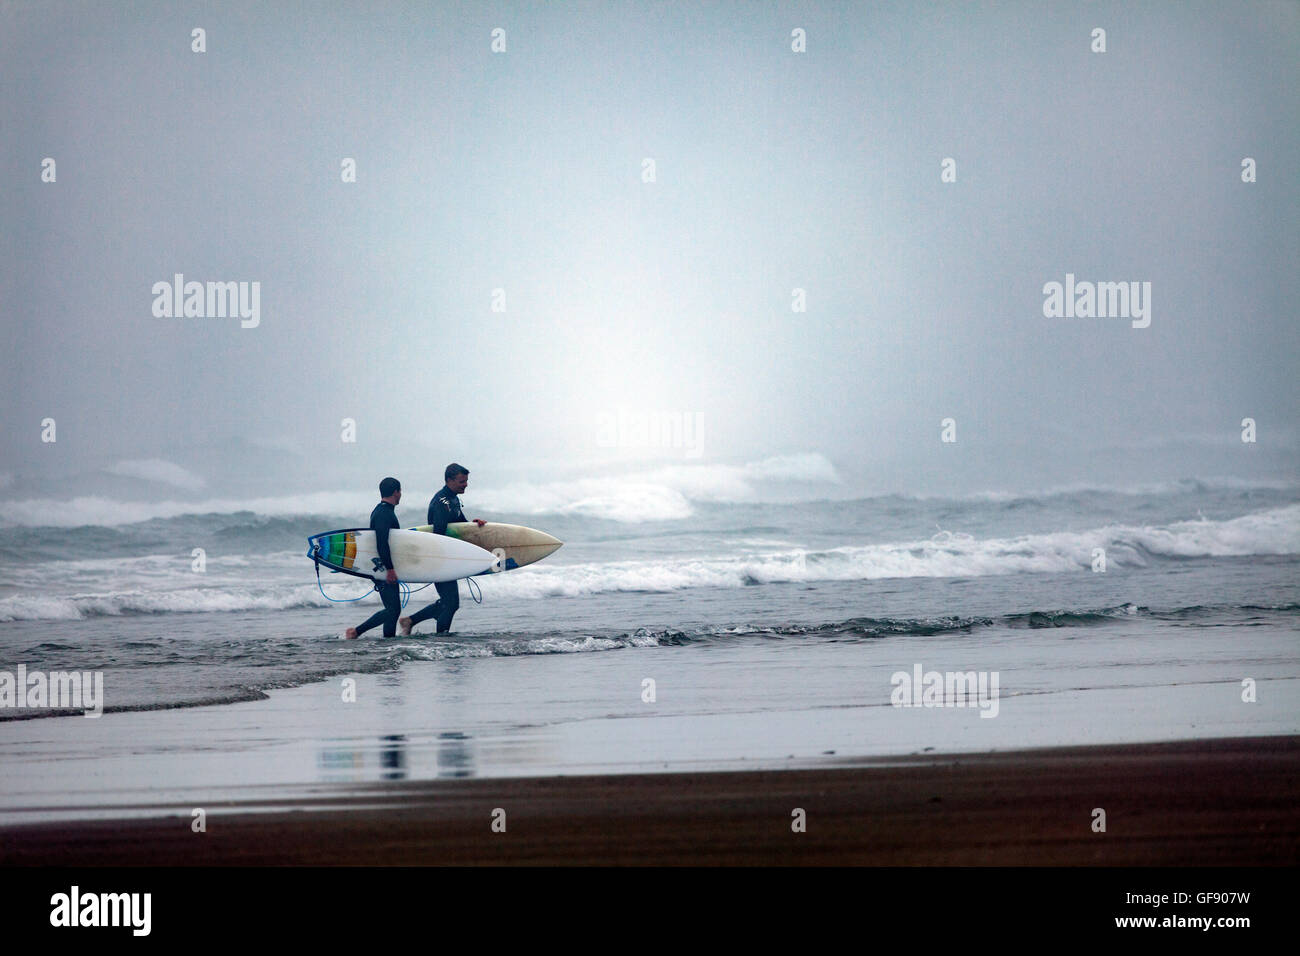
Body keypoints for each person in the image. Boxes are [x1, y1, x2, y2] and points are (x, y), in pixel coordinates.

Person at [400, 463, 486, 635]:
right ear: (449, 480)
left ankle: (410, 621)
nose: (466, 484)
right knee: (450, 603)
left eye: (466, 481)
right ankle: (440, 638)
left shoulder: (454, 499)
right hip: (439, 559)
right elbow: (438, 536)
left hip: (446, 559)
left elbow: (459, 525)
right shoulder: (441, 502)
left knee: (450, 602)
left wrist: (474, 524)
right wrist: (446, 562)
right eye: (462, 481)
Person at [344, 477, 403, 639]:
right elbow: (381, 543)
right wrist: (390, 569)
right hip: (382, 567)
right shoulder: (383, 513)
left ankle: (389, 641)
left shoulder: (384, 510)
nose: (401, 495)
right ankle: (355, 632)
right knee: (393, 609)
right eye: (400, 491)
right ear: (396, 492)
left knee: (393, 609)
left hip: (383, 565)